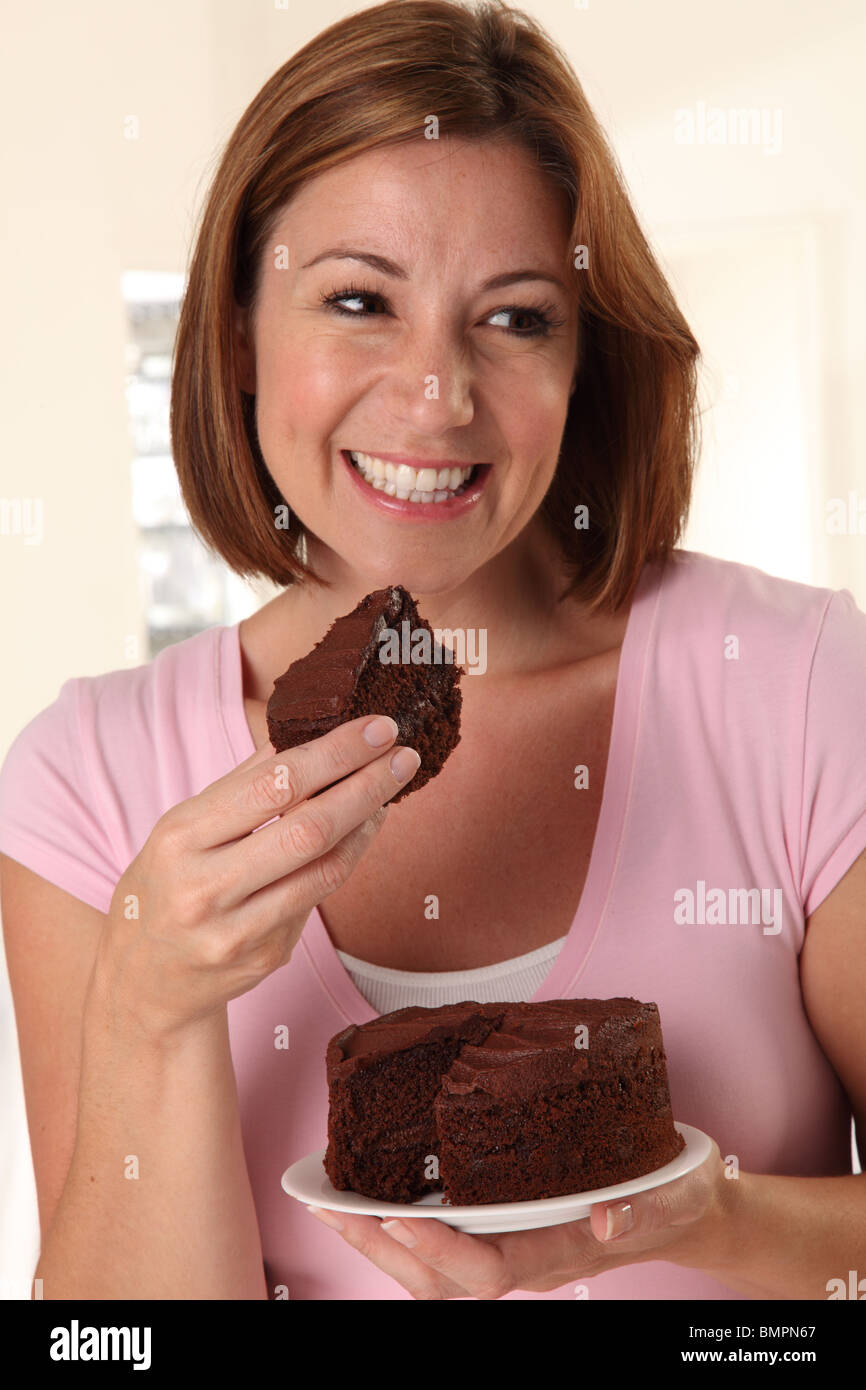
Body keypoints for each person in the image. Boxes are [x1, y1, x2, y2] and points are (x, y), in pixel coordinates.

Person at [1, 0, 864, 1302]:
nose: (434, 395)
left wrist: (703, 1216)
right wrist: (148, 1011)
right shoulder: (88, 779)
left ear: (586, 362)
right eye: (358, 300)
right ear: (237, 332)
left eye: (514, 318)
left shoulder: (797, 690)